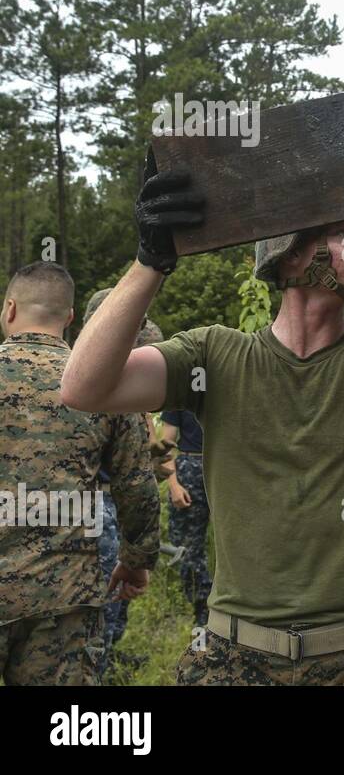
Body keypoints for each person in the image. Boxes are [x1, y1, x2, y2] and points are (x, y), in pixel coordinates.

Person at [60, 146, 344, 685]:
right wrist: (149, 260)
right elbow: (83, 386)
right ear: (288, 253)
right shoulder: (214, 356)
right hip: (235, 657)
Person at [0, 262, 160, 685]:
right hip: (63, 596)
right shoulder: (101, 385)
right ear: (71, 318)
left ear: (9, 309)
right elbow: (136, 484)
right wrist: (136, 561)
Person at [80, 287, 168, 676]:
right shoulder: (88, 388)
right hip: (97, 509)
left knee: (114, 599)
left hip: (109, 509)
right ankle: (101, 658)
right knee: (103, 601)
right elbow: (127, 477)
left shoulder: (115, 390)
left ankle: (110, 653)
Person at [159, 405, 209, 627]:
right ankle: (203, 609)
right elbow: (166, 444)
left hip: (228, 467)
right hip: (190, 468)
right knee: (186, 547)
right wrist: (174, 485)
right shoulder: (184, 385)